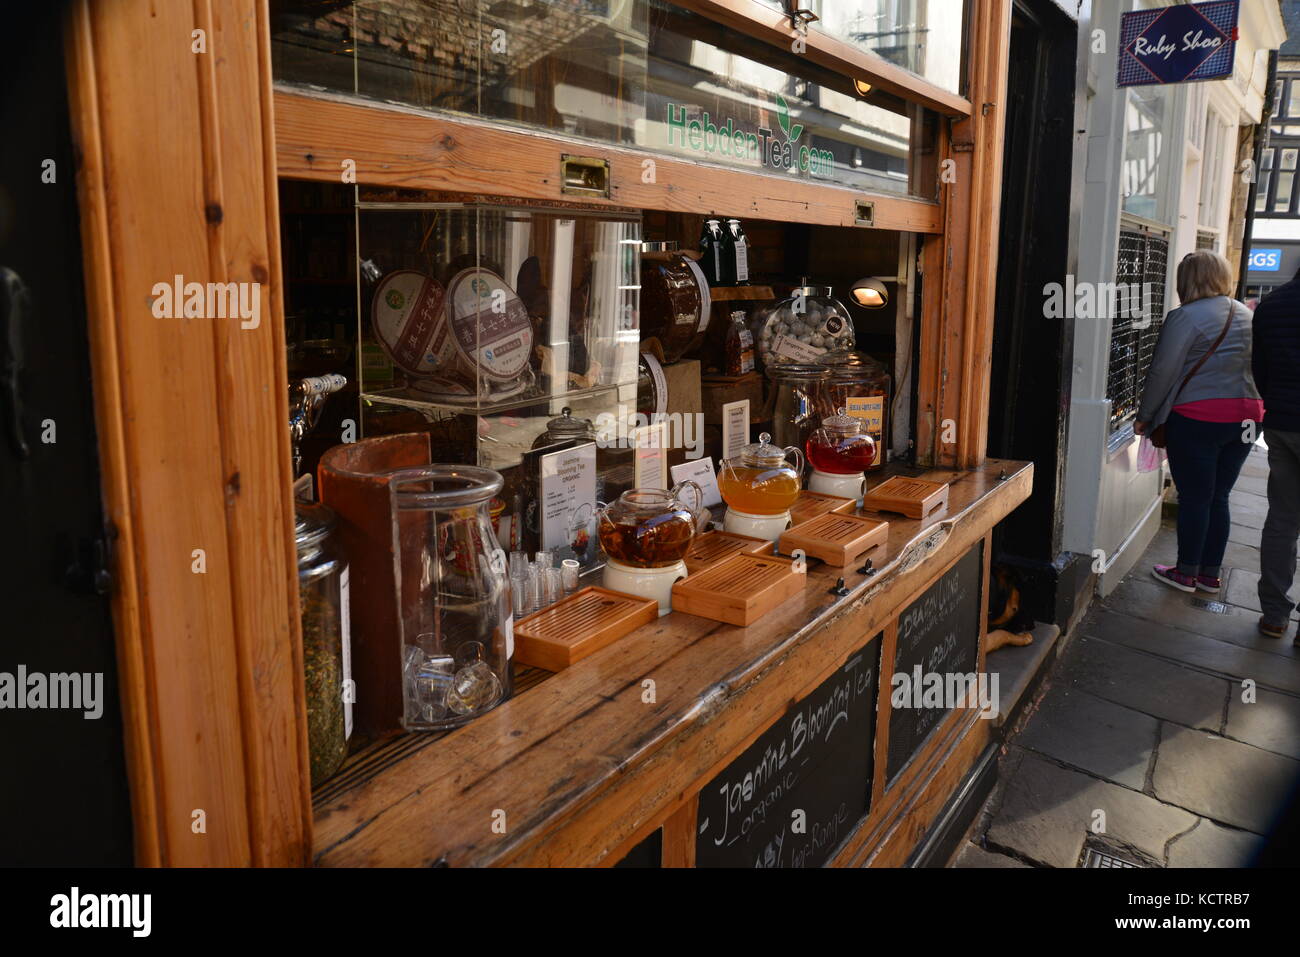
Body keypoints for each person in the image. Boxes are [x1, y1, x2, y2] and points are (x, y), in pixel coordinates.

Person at [1135, 251, 1262, 595]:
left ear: (1186, 280)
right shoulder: (1247, 314)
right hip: (1249, 419)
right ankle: (1209, 575)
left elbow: (1163, 371)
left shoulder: (1186, 317)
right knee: (1219, 496)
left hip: (1198, 419)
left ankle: (1185, 572)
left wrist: (1146, 415)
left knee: (1194, 497)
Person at [1250, 268, 1300, 642]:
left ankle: (1274, 615)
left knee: (1281, 520)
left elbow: (1260, 370)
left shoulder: (1273, 304)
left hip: (1282, 424)